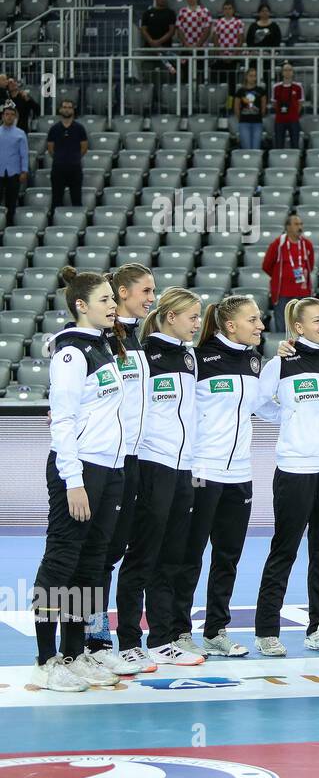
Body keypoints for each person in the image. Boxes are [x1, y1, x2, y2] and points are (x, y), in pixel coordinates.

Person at [30, 269, 131, 692]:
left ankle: (74, 654)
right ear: (81, 305)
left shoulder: (103, 347)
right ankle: (46, 659)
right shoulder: (71, 353)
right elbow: (64, 422)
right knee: (61, 561)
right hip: (81, 470)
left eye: (113, 299)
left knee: (91, 564)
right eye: (105, 300)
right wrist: (73, 480)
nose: (113, 306)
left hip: (110, 468)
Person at [253, 298, 319, 655]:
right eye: (316, 320)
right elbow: (259, 403)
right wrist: (290, 420)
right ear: (299, 327)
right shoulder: (280, 363)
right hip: (296, 469)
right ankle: (266, 630)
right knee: (284, 550)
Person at [113, 286, 204, 667]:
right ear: (171, 317)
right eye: (192, 317)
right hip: (152, 464)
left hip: (184, 469)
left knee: (172, 556)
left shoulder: (189, 355)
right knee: (143, 556)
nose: (198, 324)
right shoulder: (146, 354)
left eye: (200, 317)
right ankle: (129, 640)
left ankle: (163, 639)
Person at [185, 295, 273, 658]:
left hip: (240, 473)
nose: (261, 326)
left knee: (227, 556)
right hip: (202, 470)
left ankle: (215, 630)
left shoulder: (254, 359)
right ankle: (176, 631)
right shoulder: (198, 358)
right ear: (230, 324)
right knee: (189, 555)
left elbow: (262, 407)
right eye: (253, 320)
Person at [83, 265, 155, 667]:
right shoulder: (102, 340)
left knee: (112, 551)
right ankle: (88, 640)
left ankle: (104, 638)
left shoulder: (138, 341)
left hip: (130, 460)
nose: (151, 298)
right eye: (145, 291)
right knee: (91, 553)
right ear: (122, 292)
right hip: (100, 460)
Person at [261, 213, 315, 333]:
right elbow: (266, 265)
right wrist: (278, 277)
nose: (300, 227)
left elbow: (310, 266)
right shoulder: (278, 244)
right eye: (296, 224)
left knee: (303, 326)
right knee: (283, 327)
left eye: (301, 224)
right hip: (282, 293)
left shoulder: (307, 245)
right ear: (288, 227)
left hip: (302, 292)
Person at [46, 99, 87, 208]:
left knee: (76, 200)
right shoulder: (54, 129)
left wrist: (74, 158)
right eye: (64, 107)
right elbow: (50, 148)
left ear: (73, 110)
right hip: (58, 169)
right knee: (56, 200)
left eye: (69, 107)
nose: (67, 110)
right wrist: (60, 158)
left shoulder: (80, 128)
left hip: (75, 168)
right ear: (60, 109)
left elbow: (84, 147)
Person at [138, 0, 177, 86]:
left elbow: (171, 31)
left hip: (165, 49)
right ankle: (150, 98)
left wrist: (158, 42)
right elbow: (143, 29)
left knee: (166, 75)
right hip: (149, 50)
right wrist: (151, 42)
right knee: (148, 75)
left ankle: (166, 98)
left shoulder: (170, 13)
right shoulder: (147, 13)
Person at [0, 102, 27, 229]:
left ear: (15, 117)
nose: (9, 117)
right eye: (7, 114)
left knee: (11, 202)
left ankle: (9, 226)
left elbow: (24, 154)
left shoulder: (20, 133)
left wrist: (24, 171)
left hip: (14, 172)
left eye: (12, 114)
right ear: (2, 116)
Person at [209, 0, 244, 88]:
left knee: (232, 82)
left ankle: (231, 100)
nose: (227, 11)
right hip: (221, 57)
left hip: (233, 57)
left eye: (229, 8)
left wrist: (234, 55)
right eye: (225, 9)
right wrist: (220, 54)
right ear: (223, 10)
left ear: (233, 10)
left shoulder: (238, 22)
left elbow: (241, 39)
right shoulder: (218, 22)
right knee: (221, 81)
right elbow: (215, 38)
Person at [232, 67, 267, 151]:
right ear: (246, 77)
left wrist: (259, 116)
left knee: (256, 148)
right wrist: (241, 119)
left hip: (257, 123)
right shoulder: (240, 91)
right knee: (246, 148)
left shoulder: (261, 90)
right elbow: (236, 107)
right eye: (251, 76)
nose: (253, 78)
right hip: (244, 123)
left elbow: (263, 107)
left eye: (254, 76)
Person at [272, 63, 304, 150]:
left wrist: (293, 113)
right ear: (282, 72)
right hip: (280, 120)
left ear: (293, 72)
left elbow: (300, 103)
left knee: (295, 145)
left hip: (293, 120)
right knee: (279, 145)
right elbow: (274, 104)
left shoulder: (298, 87)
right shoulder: (276, 87)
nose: (287, 72)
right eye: (285, 70)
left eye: (290, 70)